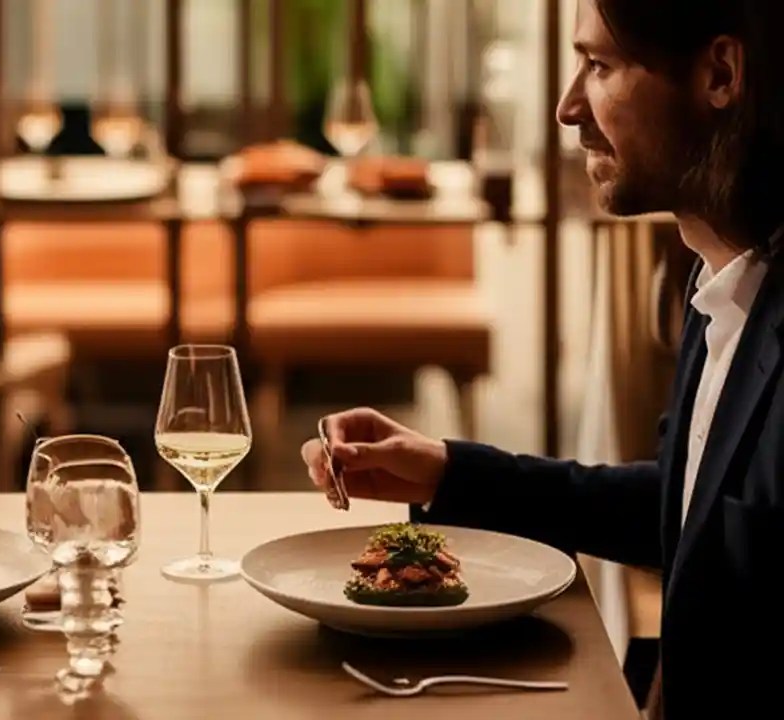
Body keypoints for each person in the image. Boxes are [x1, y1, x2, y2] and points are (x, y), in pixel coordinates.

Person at [302, 0, 783, 716]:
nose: (566, 108)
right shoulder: (719, 281)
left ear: (720, 74)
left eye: (599, 66)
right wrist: (444, 469)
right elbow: (689, 509)